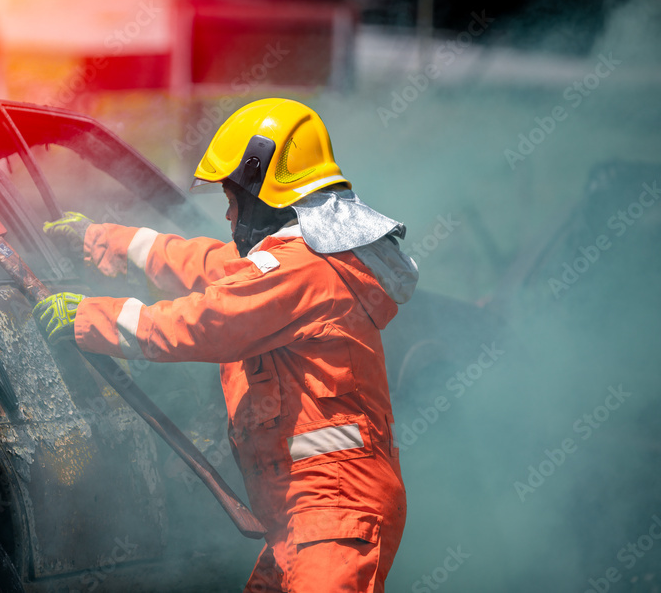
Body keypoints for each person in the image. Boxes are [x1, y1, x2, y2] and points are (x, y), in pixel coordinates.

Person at [33, 98, 418, 592]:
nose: (231, 215)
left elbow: (207, 321)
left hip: (332, 507)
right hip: (314, 503)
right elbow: (210, 265)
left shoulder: (300, 270)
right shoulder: (308, 261)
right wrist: (102, 239)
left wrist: (91, 315)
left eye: (234, 200)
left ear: (264, 191)